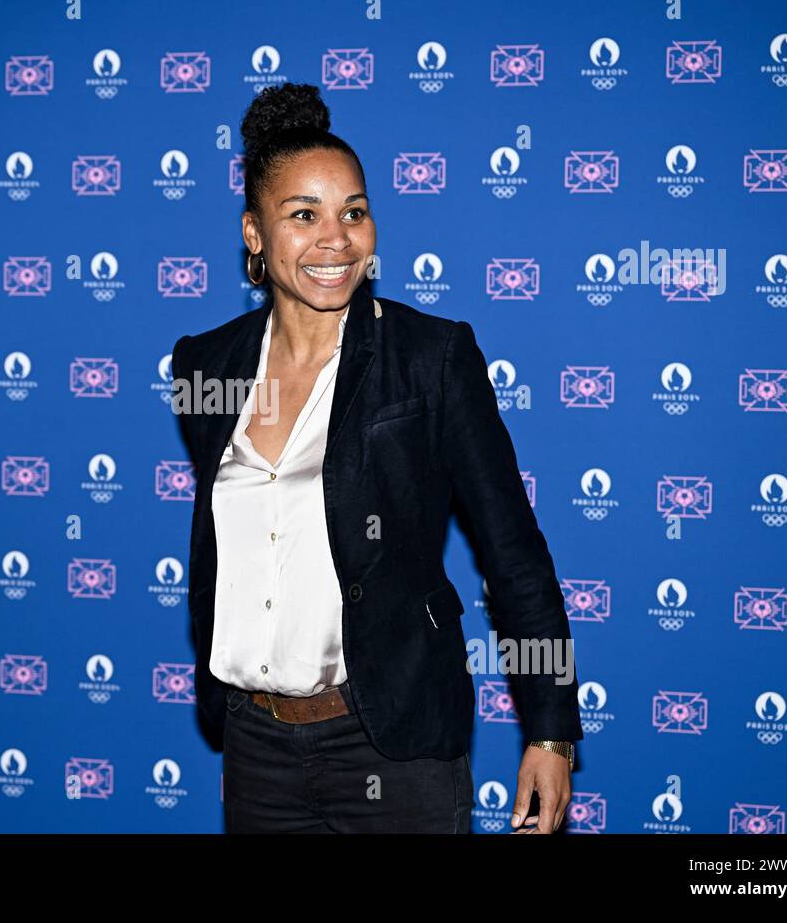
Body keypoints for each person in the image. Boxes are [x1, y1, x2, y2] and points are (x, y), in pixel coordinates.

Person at [170, 83, 582, 833]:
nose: (337, 238)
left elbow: (513, 551)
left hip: (391, 744)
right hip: (255, 747)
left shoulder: (430, 358)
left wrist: (550, 728)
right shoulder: (207, 365)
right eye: (304, 215)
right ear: (254, 234)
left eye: (353, 212)